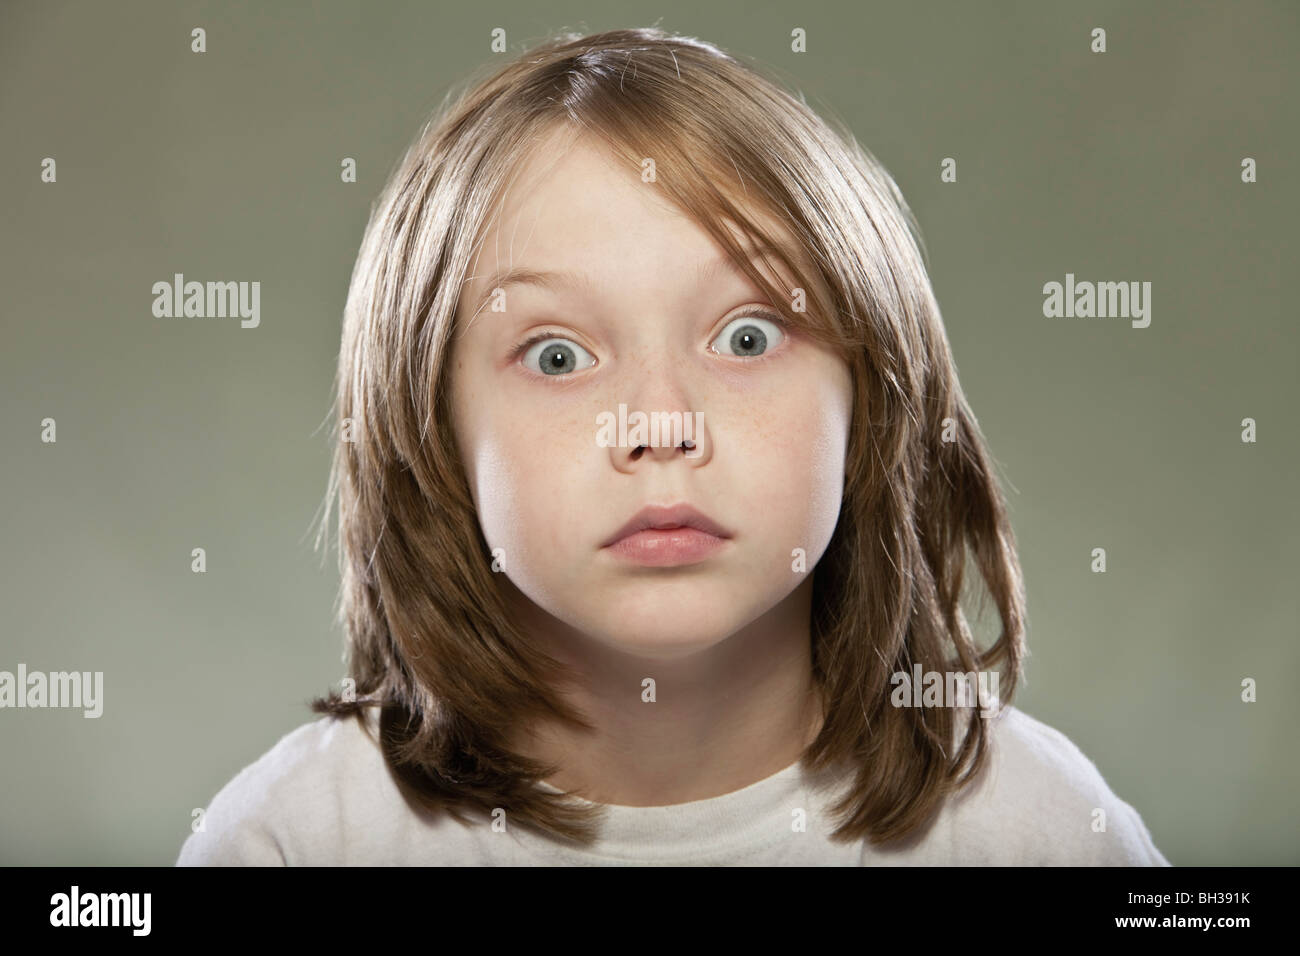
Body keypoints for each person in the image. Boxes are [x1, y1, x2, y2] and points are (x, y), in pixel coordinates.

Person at [177, 27, 1168, 866]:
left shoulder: (1033, 829)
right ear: (430, 430)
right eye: (557, 354)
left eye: (746, 336)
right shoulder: (299, 841)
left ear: (873, 401)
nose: (658, 423)